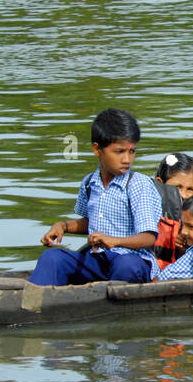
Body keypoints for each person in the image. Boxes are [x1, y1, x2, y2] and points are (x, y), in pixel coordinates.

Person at [29, 108, 160, 286]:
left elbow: (148, 237)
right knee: (53, 258)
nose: (127, 159)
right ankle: (35, 307)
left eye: (132, 151)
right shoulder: (90, 183)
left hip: (130, 260)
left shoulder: (139, 185)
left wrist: (114, 241)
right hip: (96, 260)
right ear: (97, 150)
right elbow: (91, 222)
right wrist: (63, 226)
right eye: (119, 151)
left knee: (126, 266)